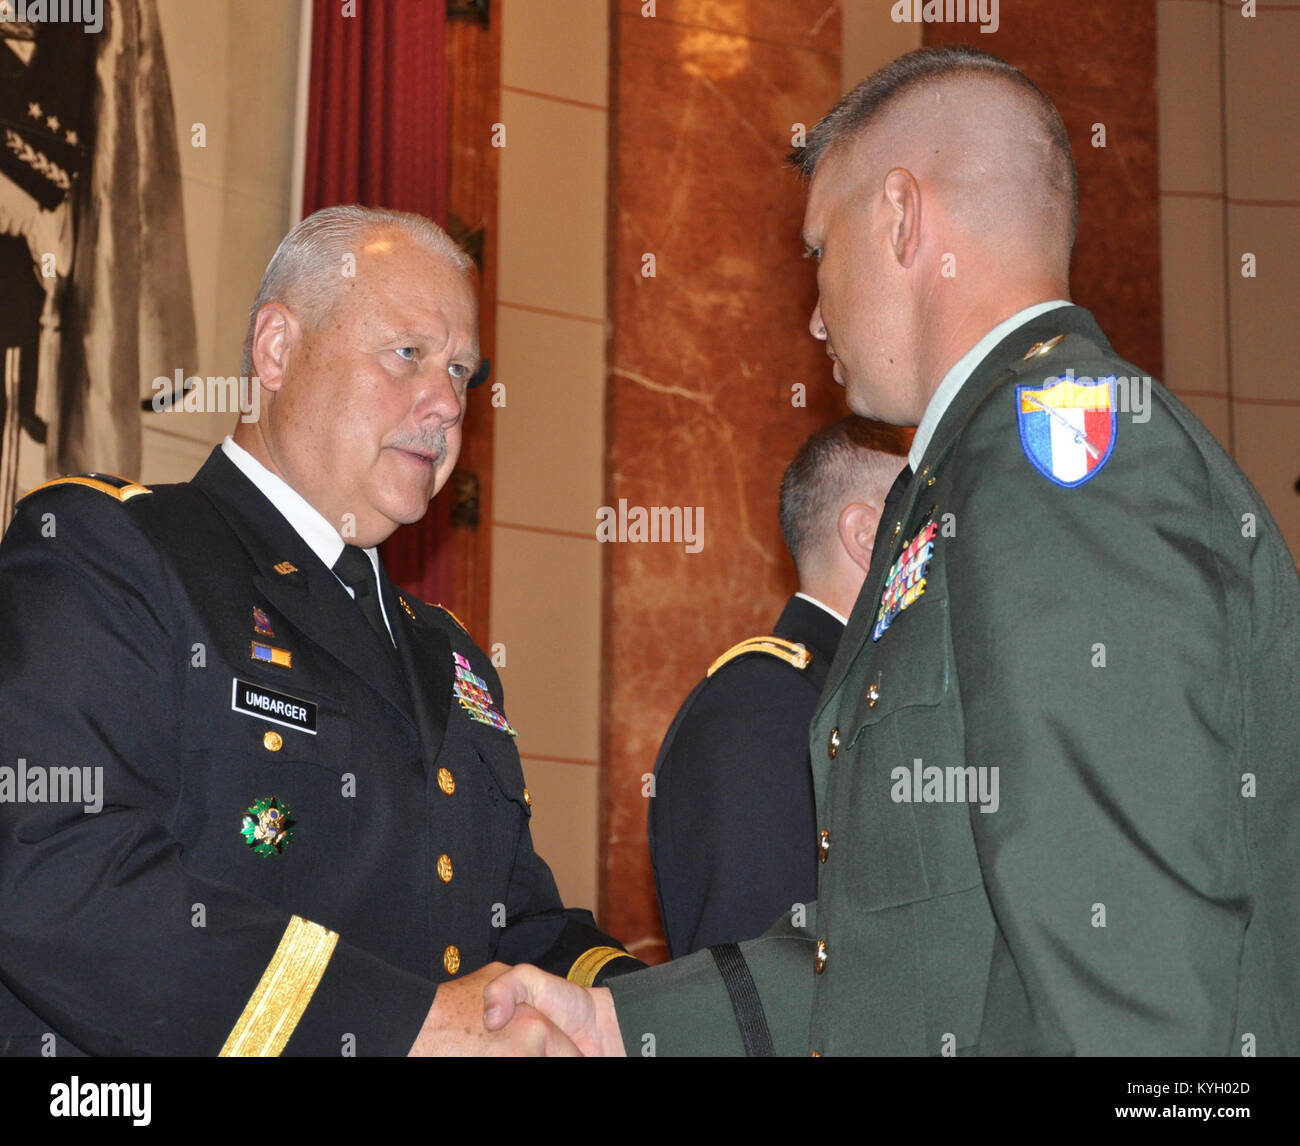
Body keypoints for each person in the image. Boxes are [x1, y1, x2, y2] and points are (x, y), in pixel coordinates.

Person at [481, 46, 1300, 1056]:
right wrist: (616, 1021)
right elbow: (906, 945)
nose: (813, 312)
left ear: (902, 219)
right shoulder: (971, 477)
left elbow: (1131, 957)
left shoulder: (1060, 452)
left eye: (818, 251)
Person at [0, 205, 641, 1058]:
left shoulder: (450, 657)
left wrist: (679, 1015)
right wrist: (401, 1027)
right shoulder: (116, 551)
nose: (447, 403)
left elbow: (515, 926)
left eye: (461, 371)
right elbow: (56, 874)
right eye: (408, 354)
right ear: (276, 350)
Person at [650, 417, 907, 957]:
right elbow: (761, 982)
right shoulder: (765, 708)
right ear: (866, 535)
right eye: (925, 522)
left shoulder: (848, 697)